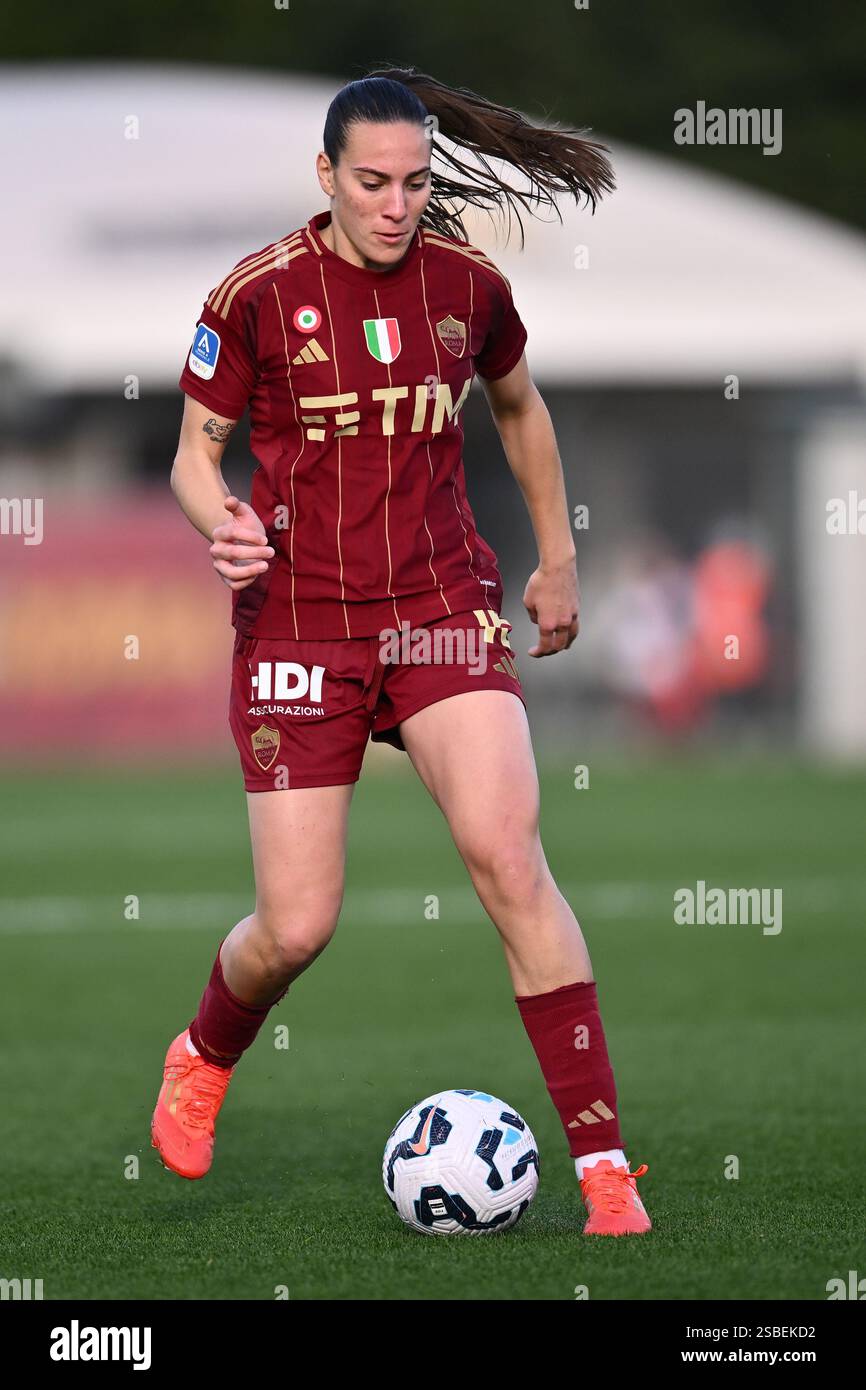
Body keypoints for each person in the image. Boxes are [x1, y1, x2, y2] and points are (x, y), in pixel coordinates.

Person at [151, 65, 651, 1237]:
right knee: (296, 926)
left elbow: (520, 407)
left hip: (437, 603)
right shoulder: (257, 294)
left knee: (507, 859)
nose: (394, 204)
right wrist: (218, 522)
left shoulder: (467, 286)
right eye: (370, 182)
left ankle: (604, 1170)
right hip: (299, 623)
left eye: (415, 183)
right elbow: (192, 453)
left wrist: (555, 556)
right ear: (322, 175)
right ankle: (202, 1051)